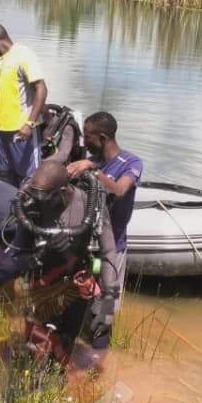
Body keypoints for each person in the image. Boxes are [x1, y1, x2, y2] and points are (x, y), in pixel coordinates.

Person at [0, 160, 121, 365]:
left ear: (62, 192)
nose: (38, 202)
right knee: (32, 347)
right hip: (40, 283)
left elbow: (109, 252)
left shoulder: (91, 205)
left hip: (74, 286)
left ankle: (59, 378)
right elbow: (16, 252)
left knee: (64, 346)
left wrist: (108, 303)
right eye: (35, 196)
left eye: (45, 197)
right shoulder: (31, 206)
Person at [66, 111, 142, 284]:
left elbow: (120, 191)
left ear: (102, 138)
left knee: (107, 302)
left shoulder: (131, 162)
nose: (84, 142)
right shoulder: (93, 160)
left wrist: (93, 170)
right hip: (88, 245)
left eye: (87, 137)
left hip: (114, 244)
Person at [0, 23, 48, 187]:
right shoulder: (0, 62)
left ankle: (27, 212)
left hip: (21, 131)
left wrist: (30, 123)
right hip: (1, 131)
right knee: (5, 177)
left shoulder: (23, 55)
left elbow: (41, 88)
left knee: (28, 178)